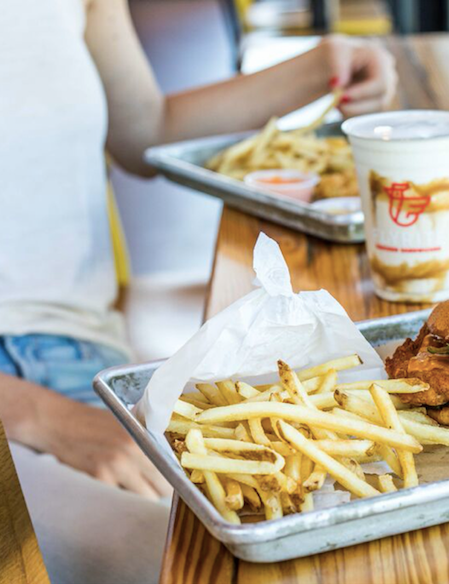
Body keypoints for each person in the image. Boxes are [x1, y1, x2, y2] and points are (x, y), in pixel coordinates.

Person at [0, 0, 397, 582]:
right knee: (183, 556)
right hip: (28, 402)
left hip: (81, 355)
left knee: (315, 509)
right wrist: (40, 416)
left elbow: (145, 130)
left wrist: (322, 67)